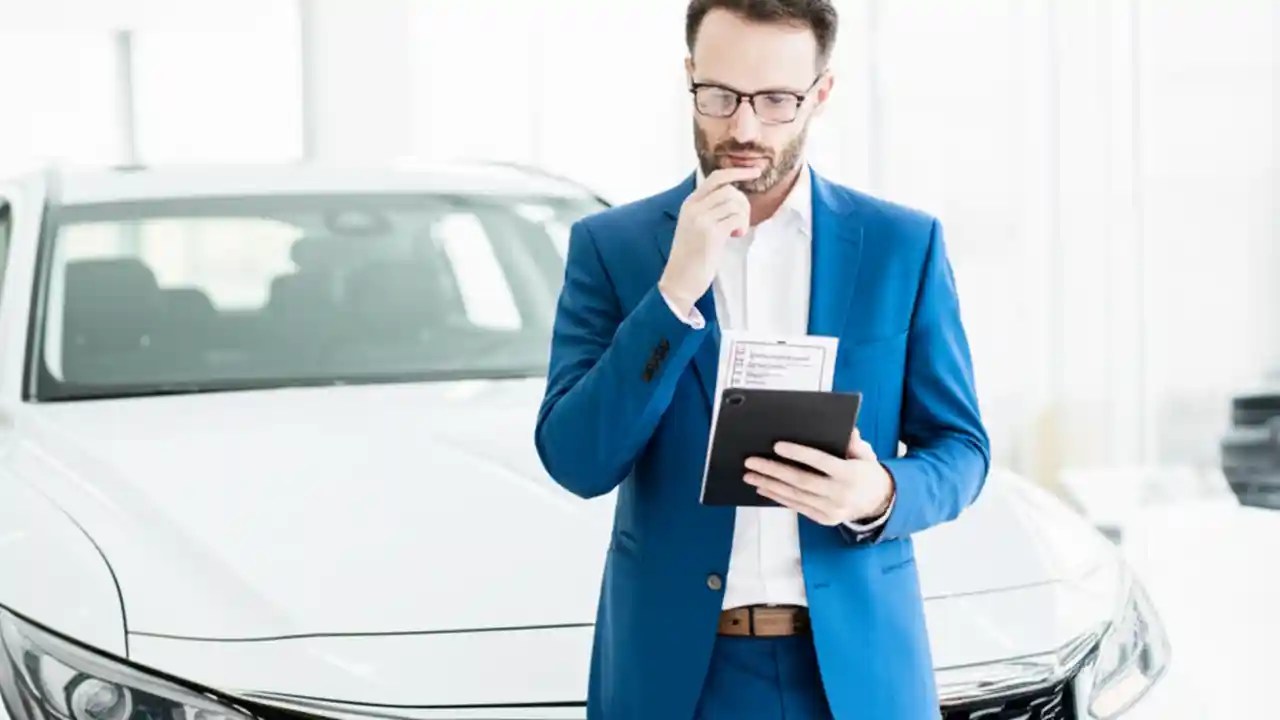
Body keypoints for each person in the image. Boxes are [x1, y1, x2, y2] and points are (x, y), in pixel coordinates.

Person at [534, 1, 990, 717]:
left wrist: (878, 495)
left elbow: (962, 451)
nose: (743, 129)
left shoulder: (902, 245)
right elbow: (576, 459)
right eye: (719, 96)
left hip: (856, 674)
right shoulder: (612, 249)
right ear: (689, 77)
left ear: (822, 93)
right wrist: (674, 293)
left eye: (777, 100)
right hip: (677, 677)